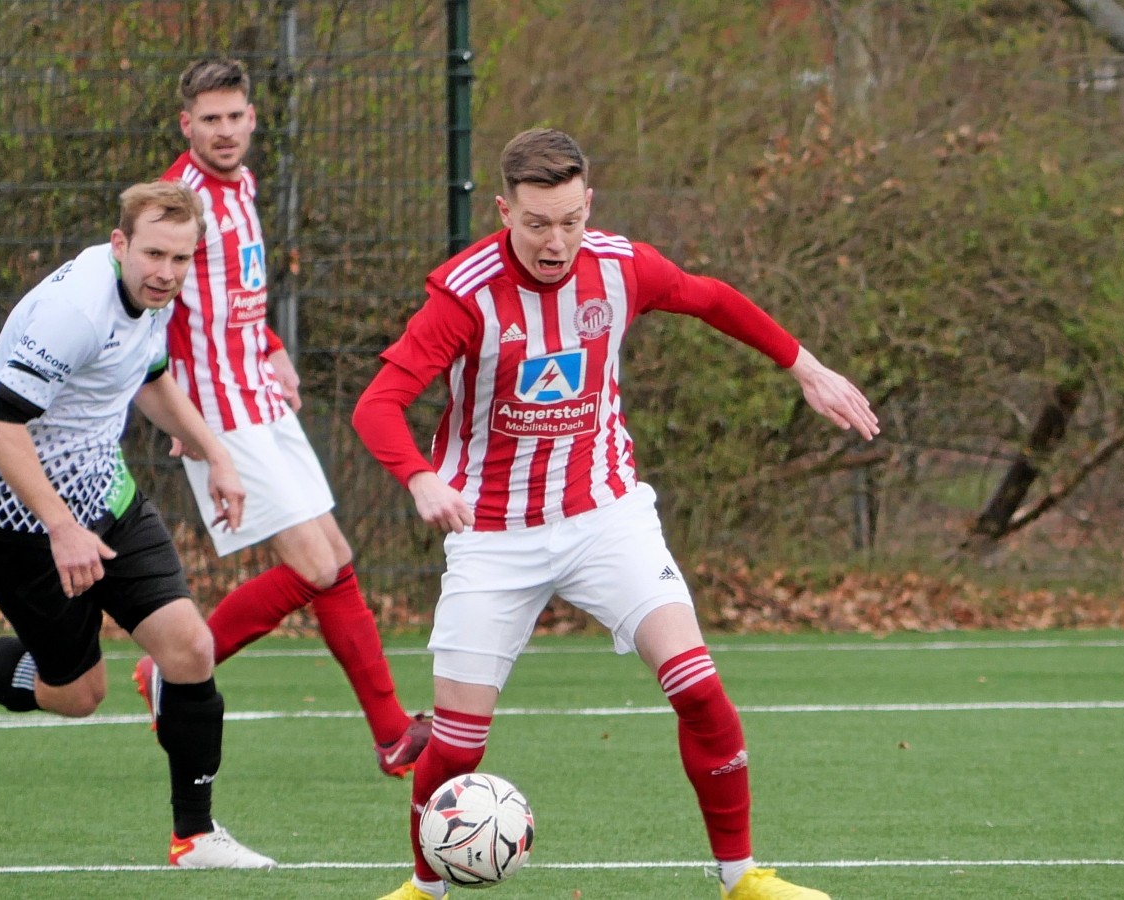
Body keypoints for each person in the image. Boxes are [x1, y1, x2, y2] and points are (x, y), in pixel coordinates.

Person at [351, 128, 879, 900]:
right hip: (493, 534)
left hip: (605, 514)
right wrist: (421, 477)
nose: (555, 241)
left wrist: (805, 366)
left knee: (699, 688)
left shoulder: (620, 267)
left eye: (569, 220)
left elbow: (710, 297)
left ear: (588, 204)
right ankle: (423, 889)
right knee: (459, 746)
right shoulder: (466, 295)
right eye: (536, 223)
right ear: (505, 210)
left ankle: (742, 879)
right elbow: (378, 405)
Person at [0, 180, 274, 870]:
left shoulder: (151, 295)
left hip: (105, 496)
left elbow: (149, 378)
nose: (166, 272)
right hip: (14, 520)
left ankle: (195, 836)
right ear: (119, 244)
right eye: (153, 255)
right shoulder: (75, 311)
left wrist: (217, 455)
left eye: (180, 259)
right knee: (78, 694)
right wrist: (60, 527)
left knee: (190, 649)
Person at [130, 56, 431, 778]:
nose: (225, 131)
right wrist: (172, 411)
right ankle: (171, 669)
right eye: (210, 120)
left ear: (252, 118)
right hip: (217, 411)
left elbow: (237, 292)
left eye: (235, 116)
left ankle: (392, 733)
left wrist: (270, 346)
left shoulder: (245, 185)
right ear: (187, 125)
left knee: (336, 559)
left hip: (260, 398)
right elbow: (148, 307)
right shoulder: (178, 203)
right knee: (317, 563)